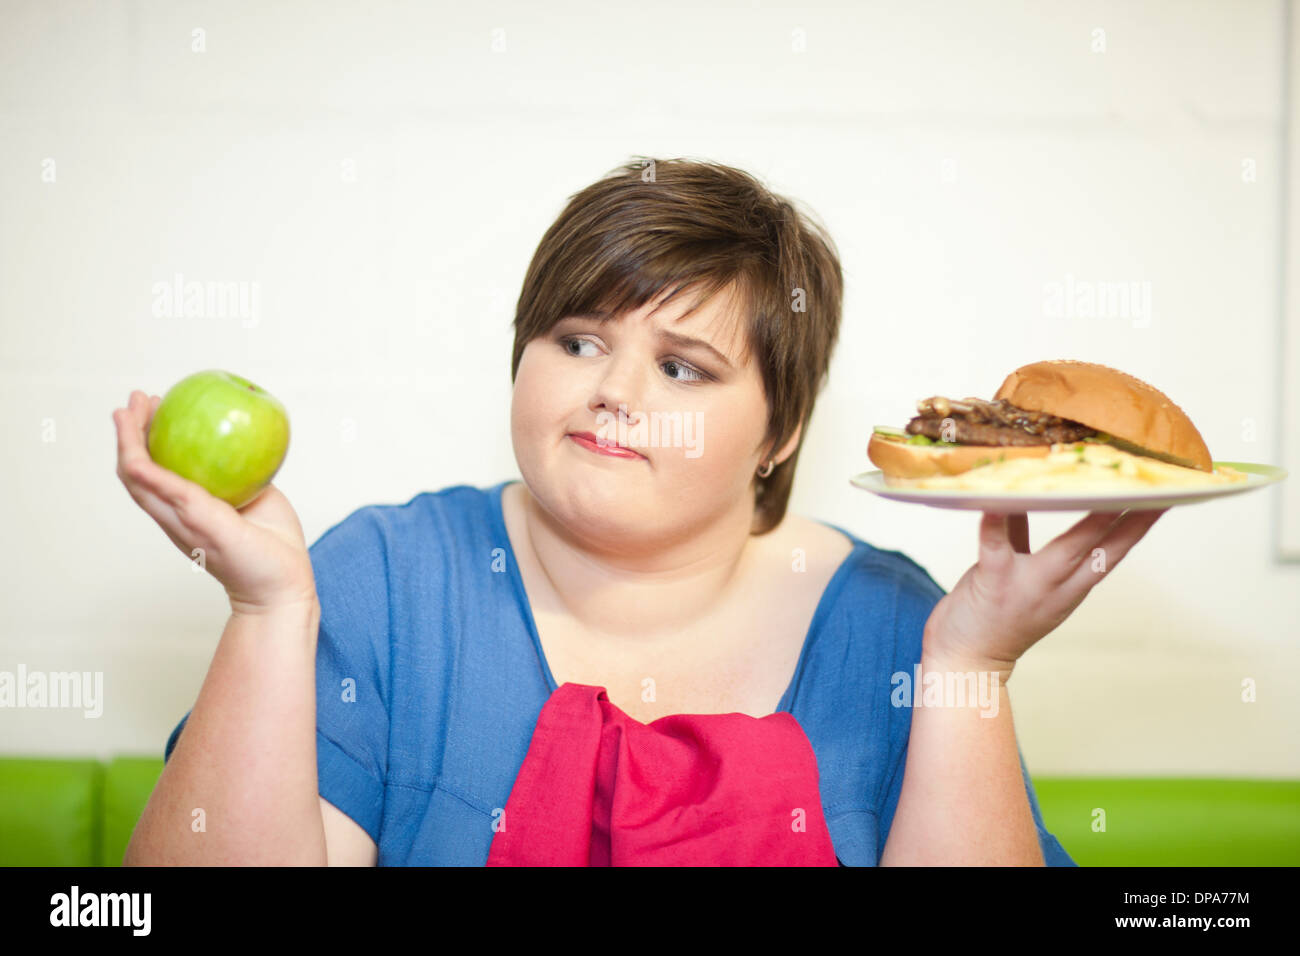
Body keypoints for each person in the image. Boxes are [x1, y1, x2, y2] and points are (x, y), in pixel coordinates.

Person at [116, 157, 1165, 866]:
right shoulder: (383, 579)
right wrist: (265, 614)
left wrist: (972, 667)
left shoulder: (894, 625)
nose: (615, 390)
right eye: (576, 341)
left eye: (682, 365)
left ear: (780, 432)